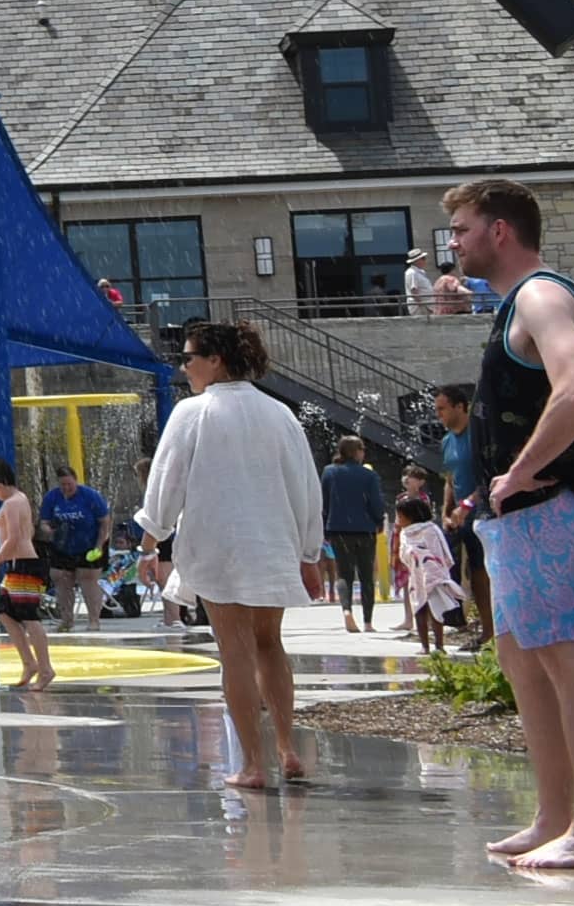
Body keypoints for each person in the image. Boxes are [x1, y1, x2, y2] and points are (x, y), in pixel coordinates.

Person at [440, 176, 574, 871]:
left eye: (461, 229)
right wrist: (487, 495)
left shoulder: (542, 296)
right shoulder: (516, 303)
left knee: (565, 661)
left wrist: (519, 472)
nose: (452, 243)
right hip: (517, 518)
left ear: (500, 231)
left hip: (549, 511)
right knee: (524, 660)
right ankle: (555, 816)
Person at [133, 320, 329, 791]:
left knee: (234, 652)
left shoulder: (192, 412)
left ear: (214, 360)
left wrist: (150, 541)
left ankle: (252, 765)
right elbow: (306, 487)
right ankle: (287, 749)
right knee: (269, 645)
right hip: (272, 543)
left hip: (218, 545)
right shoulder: (280, 413)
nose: (185, 368)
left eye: (189, 358)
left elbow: (166, 482)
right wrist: (308, 552)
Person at [0, 456, 56, 692]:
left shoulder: (11, 503)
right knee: (4, 613)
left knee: (30, 618)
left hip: (24, 565)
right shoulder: (19, 499)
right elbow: (21, 529)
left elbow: (12, 539)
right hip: (20, 565)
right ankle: (29, 663)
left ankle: (45, 668)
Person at [430, 386, 492, 643]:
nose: (438, 415)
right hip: (458, 519)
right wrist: (446, 511)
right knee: (465, 575)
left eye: (442, 409)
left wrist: (468, 503)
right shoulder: (447, 441)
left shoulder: (479, 435)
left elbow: (490, 474)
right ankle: (477, 628)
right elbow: (450, 478)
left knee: (484, 572)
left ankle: (494, 631)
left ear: (460, 406)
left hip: (483, 513)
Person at [317, 435, 387, 632]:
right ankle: (368, 622)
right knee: (366, 576)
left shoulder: (329, 472)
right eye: (362, 449)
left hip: (338, 529)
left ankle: (347, 611)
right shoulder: (368, 475)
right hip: (364, 529)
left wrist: (325, 527)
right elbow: (376, 503)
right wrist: (379, 521)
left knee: (344, 574)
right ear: (356, 452)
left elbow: (324, 502)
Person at [37, 462, 112, 623]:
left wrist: (99, 545)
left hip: (90, 543)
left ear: (76, 481)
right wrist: (48, 530)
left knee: (88, 579)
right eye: (63, 484)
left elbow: (105, 522)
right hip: (62, 544)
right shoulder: (52, 497)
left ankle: (94, 620)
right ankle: (66, 619)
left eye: (69, 484)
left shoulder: (90, 496)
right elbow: (44, 522)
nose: (66, 488)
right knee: (60, 577)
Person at [393, 495, 466, 657]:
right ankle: (425, 645)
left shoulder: (430, 530)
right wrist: (414, 555)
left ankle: (439, 645)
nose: (398, 520)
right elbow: (404, 554)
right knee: (419, 609)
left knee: (436, 610)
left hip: (433, 575)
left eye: (400, 516)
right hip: (416, 577)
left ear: (411, 516)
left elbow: (438, 552)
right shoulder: (405, 533)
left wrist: (427, 561)